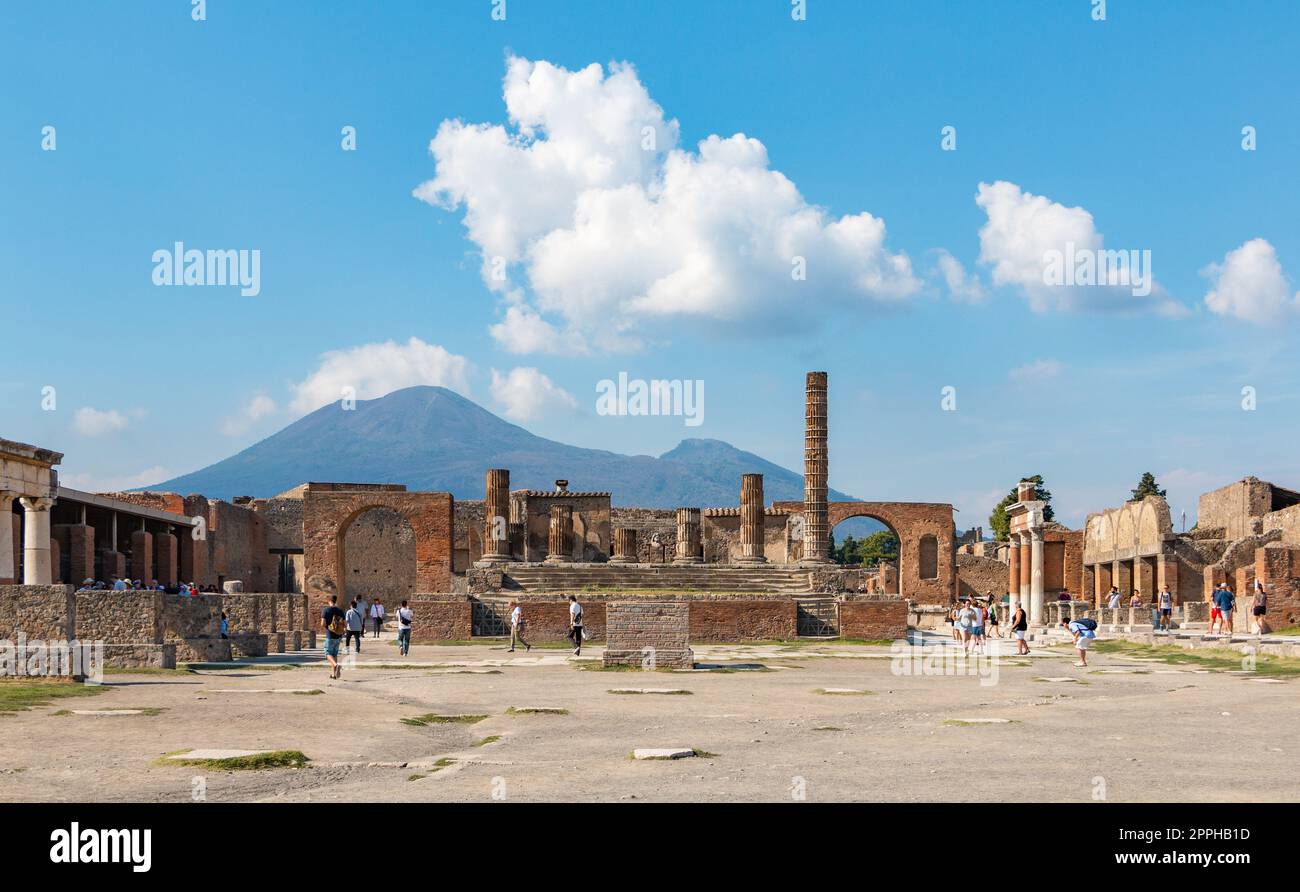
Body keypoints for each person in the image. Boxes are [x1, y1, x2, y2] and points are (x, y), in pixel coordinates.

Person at [321, 595, 347, 680]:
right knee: (334, 654)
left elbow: (323, 623)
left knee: (327, 653)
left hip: (330, 635)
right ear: (335, 601)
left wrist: (327, 627)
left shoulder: (326, 610)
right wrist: (343, 631)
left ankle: (336, 665)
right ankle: (334, 674)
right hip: (338, 636)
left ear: (329, 601)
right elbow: (344, 623)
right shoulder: (340, 610)